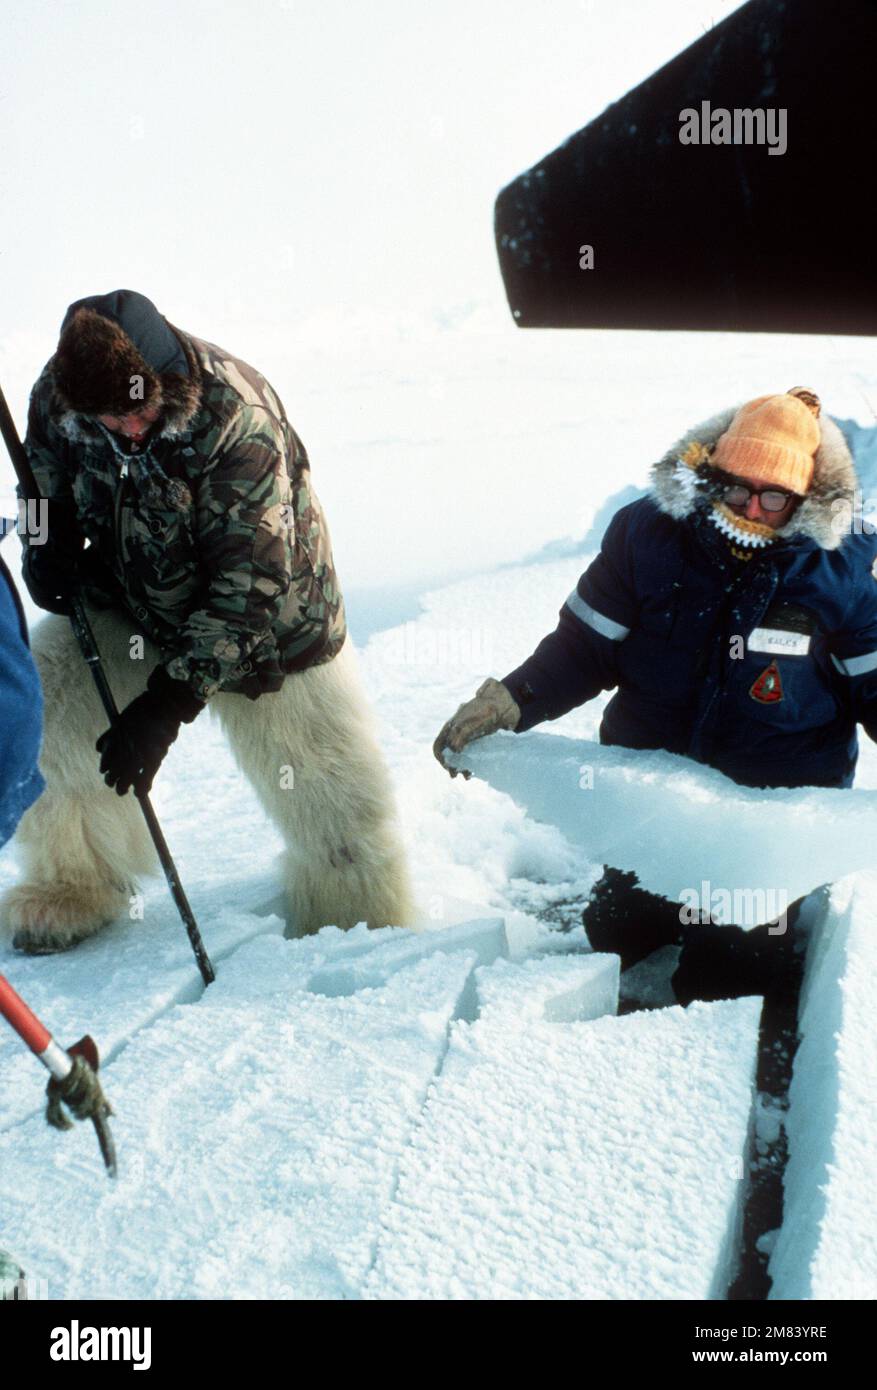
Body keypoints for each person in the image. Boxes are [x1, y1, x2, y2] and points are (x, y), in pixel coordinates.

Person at [2, 290, 414, 953]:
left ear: (166, 380)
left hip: (273, 625)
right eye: (110, 419)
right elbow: (41, 488)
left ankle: (362, 921)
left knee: (326, 797)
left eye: (139, 412)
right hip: (130, 601)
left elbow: (246, 587)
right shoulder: (61, 395)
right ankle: (75, 882)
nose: (128, 431)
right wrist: (45, 548)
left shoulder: (236, 416)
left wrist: (164, 707)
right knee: (43, 712)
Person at [434, 387, 877, 1002]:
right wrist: (513, 699)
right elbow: (584, 648)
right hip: (652, 798)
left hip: (764, 819)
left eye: (773, 498)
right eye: (735, 488)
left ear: (803, 499)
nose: (751, 508)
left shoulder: (848, 566)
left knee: (729, 978)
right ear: (709, 473)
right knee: (614, 936)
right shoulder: (645, 534)